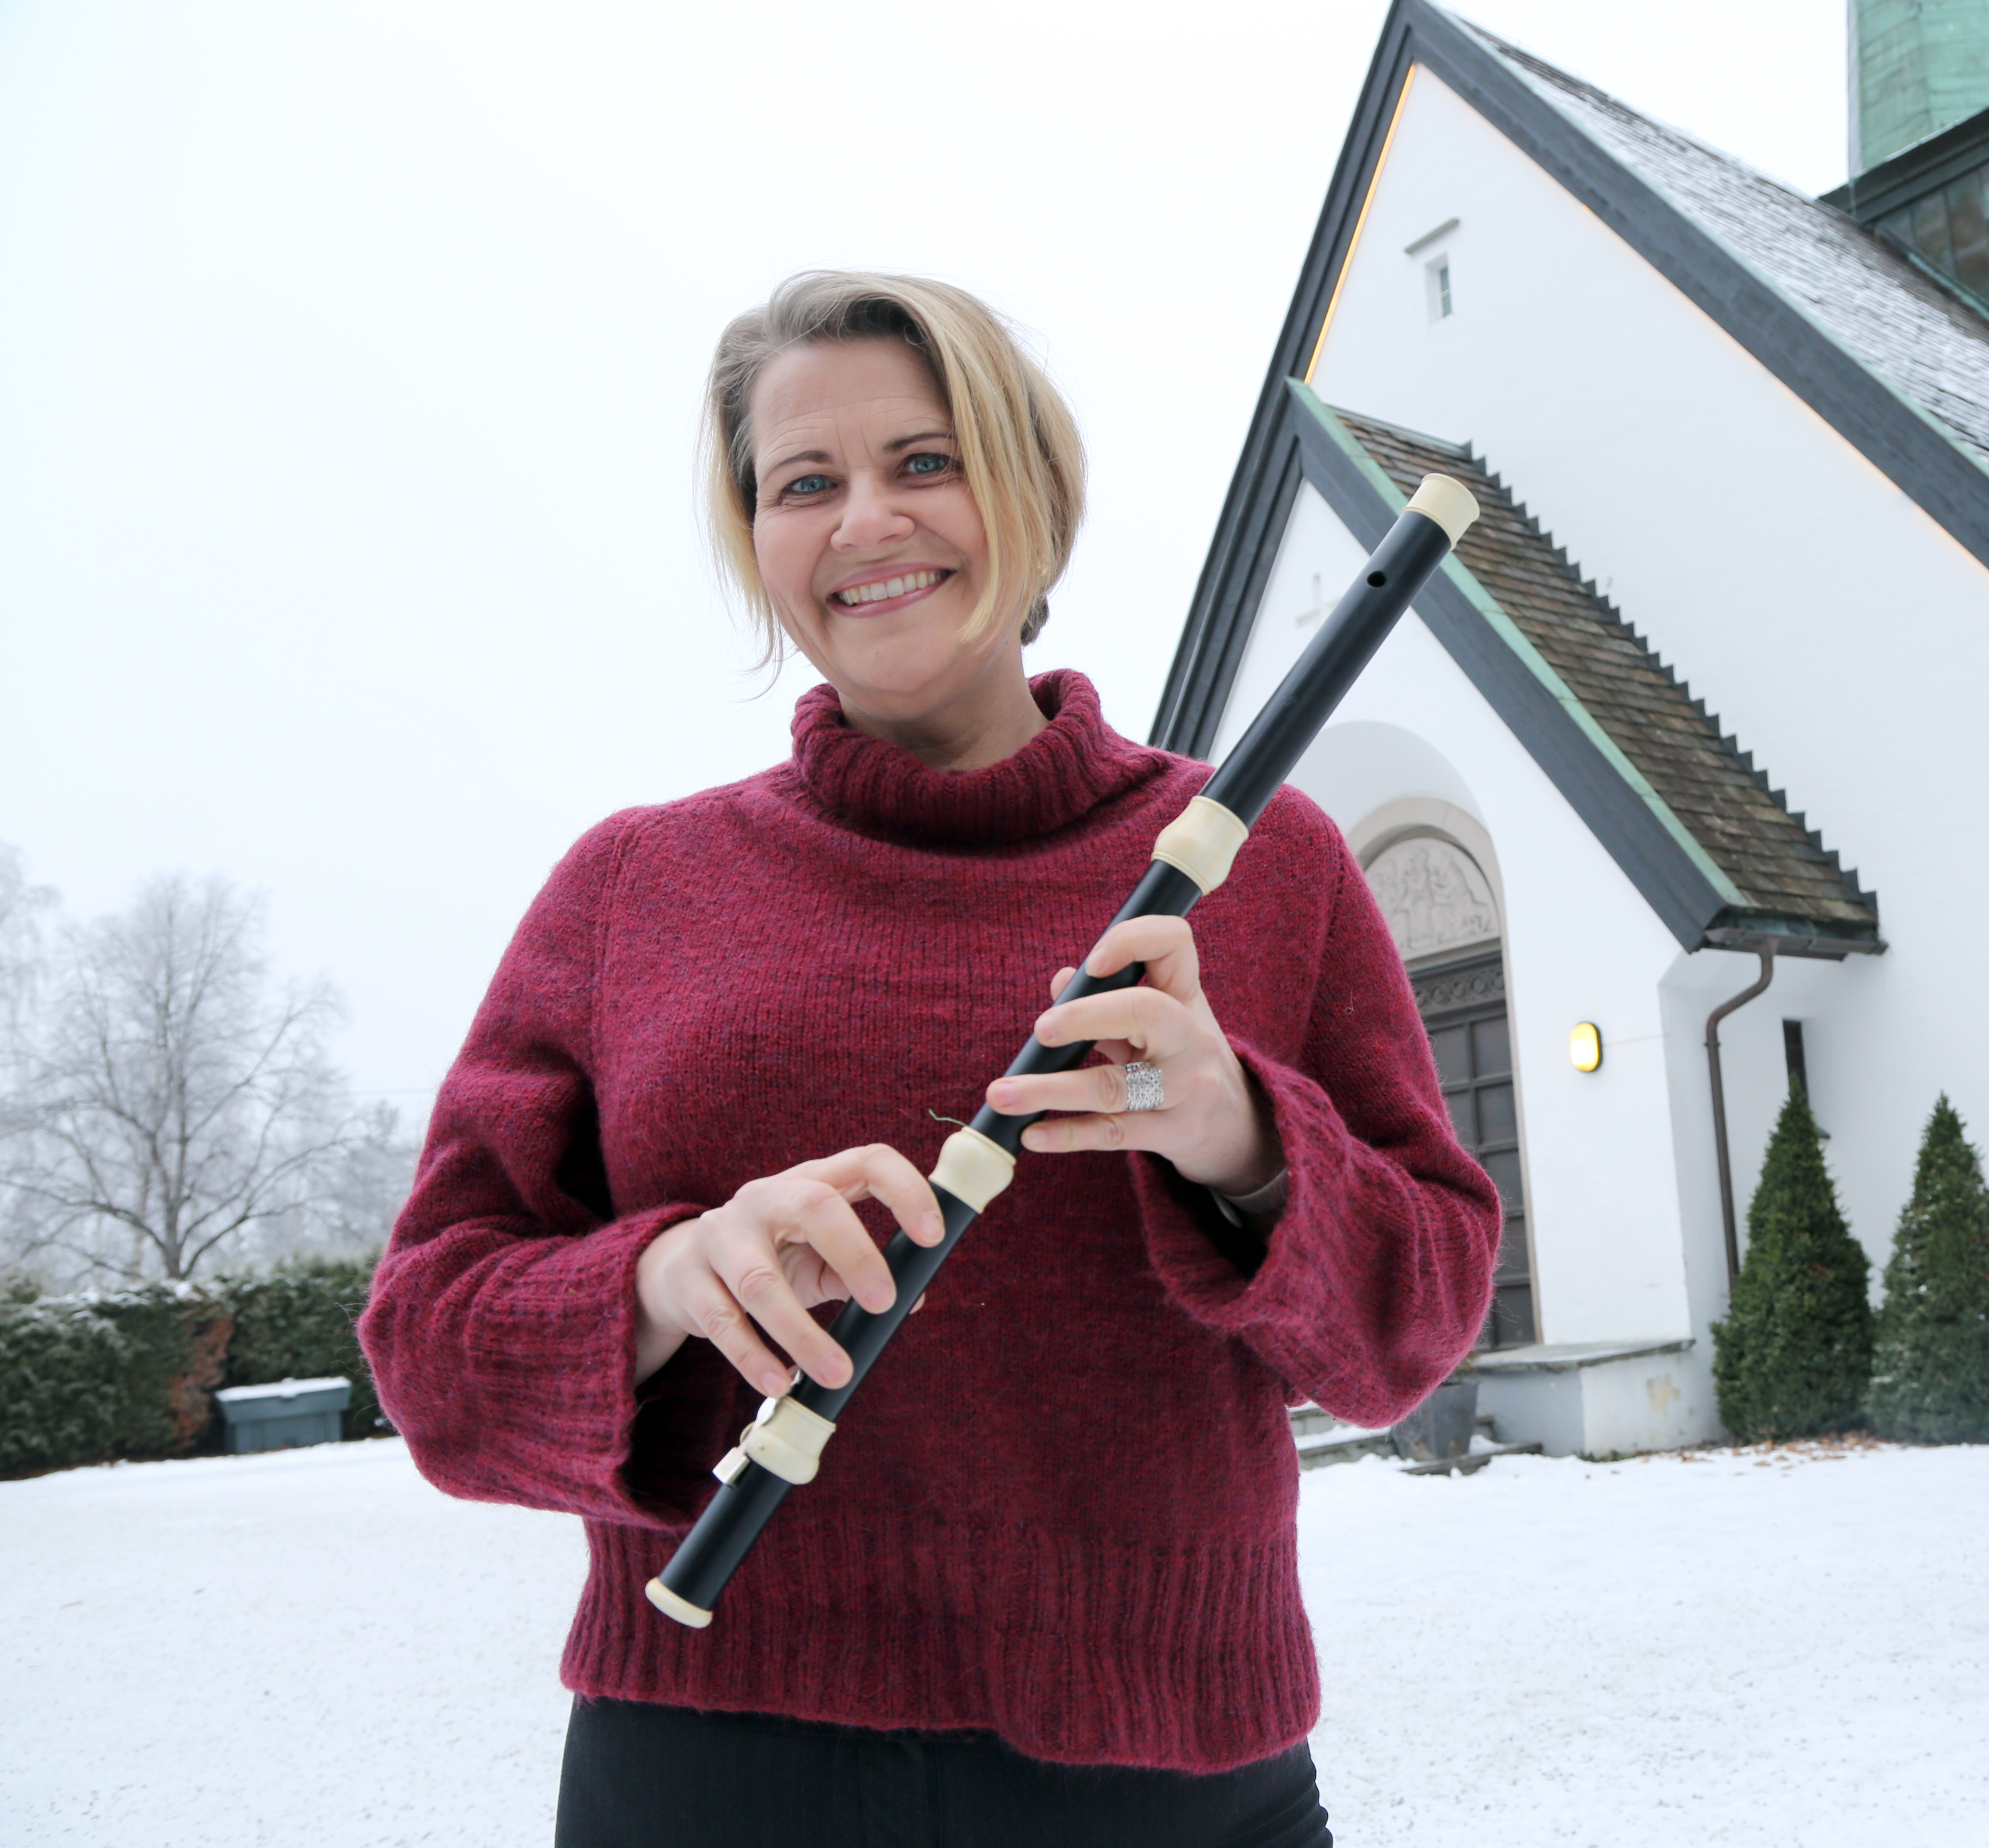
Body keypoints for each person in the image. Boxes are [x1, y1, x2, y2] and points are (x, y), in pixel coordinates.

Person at [360, 271, 1502, 1848]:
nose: (865, 522)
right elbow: (428, 1348)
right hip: (711, 1760)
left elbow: (1419, 1319)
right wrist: (668, 1280)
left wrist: (1242, 1136)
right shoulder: (631, 888)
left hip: (1168, 1777)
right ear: (755, 538)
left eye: (924, 460)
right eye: (803, 484)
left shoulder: (1270, 859)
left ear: (1029, 489)